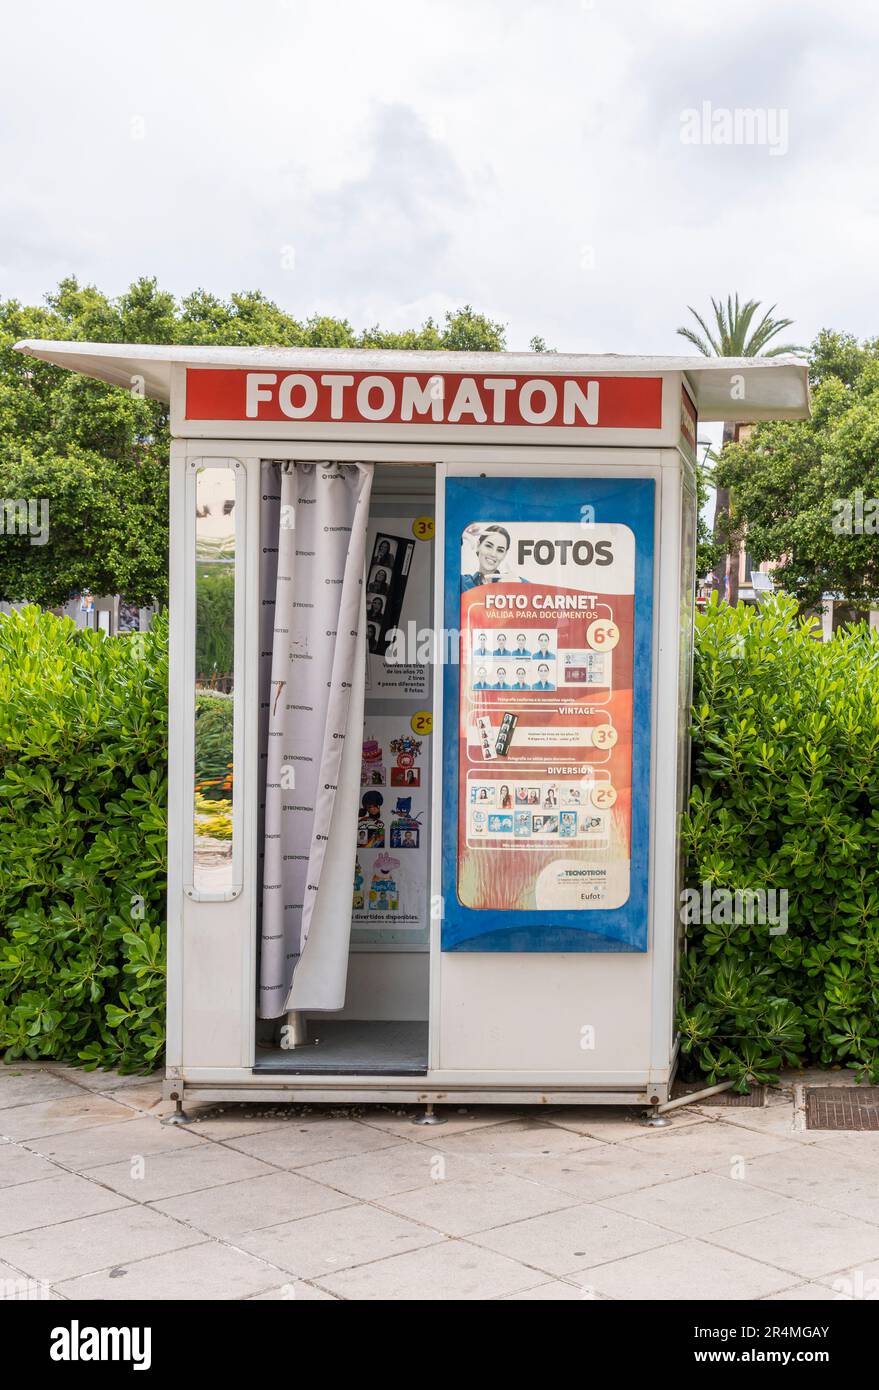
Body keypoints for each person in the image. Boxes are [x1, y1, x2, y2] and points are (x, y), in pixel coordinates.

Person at [462, 525, 517, 591]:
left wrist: (520, 587)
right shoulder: (462, 583)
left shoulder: (511, 581)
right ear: (478, 545)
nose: (493, 554)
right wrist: (458, 535)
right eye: (488, 546)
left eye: (500, 550)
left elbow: (532, 590)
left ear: (505, 554)